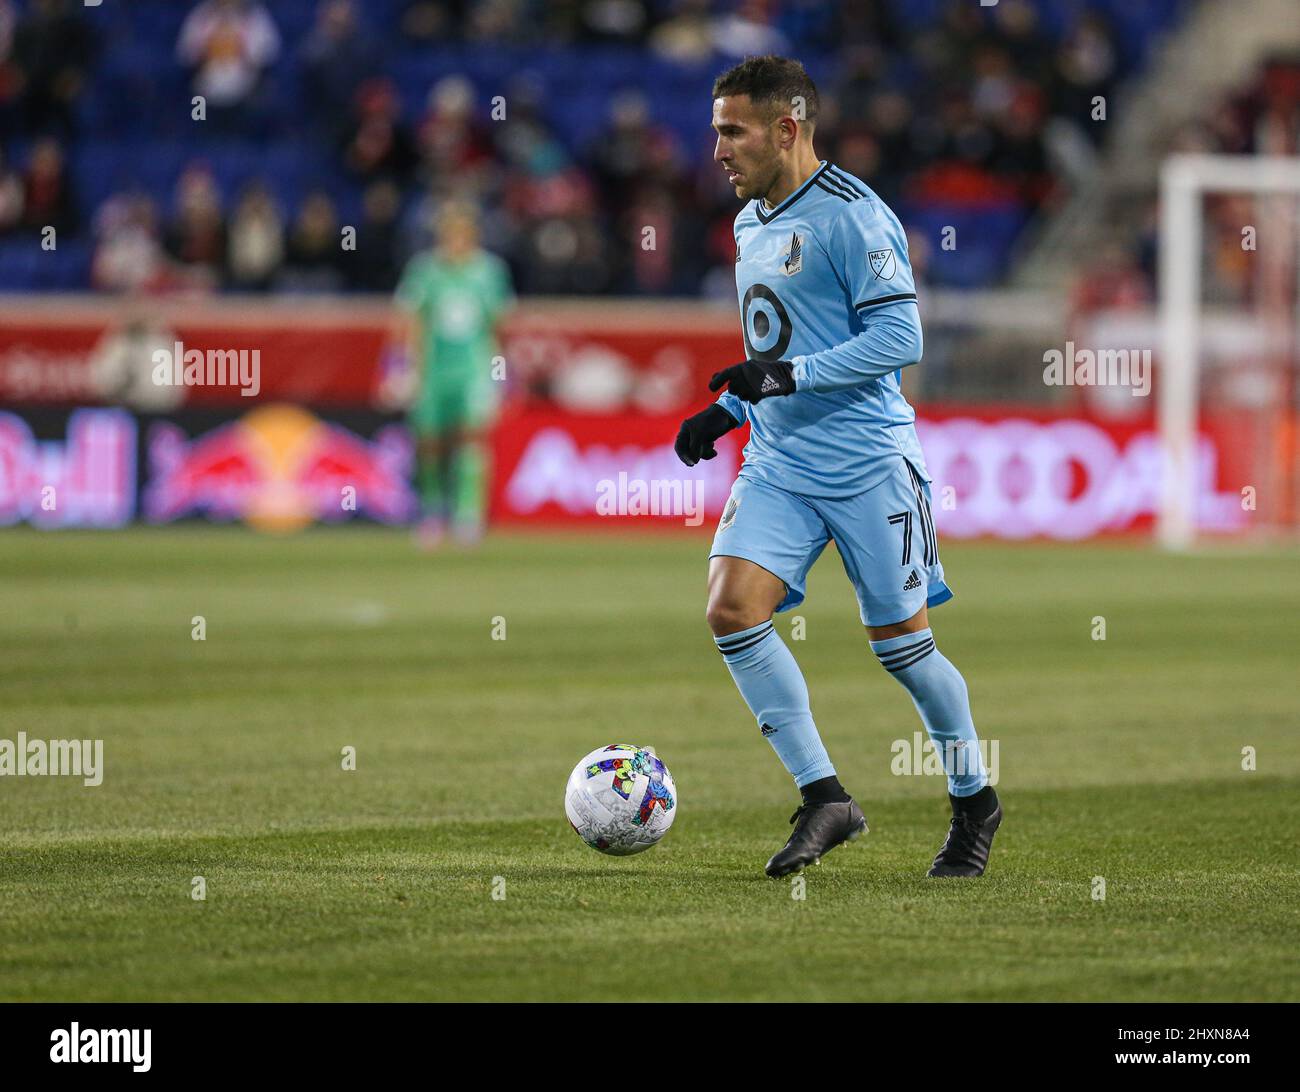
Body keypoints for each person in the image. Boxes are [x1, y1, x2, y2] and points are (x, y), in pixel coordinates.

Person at [674, 55, 1002, 879]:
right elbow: (777, 345)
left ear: (786, 129)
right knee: (730, 609)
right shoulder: (750, 220)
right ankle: (826, 796)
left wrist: (782, 378)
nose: (717, 149)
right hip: (781, 462)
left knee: (905, 651)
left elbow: (901, 340)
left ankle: (974, 800)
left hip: (868, 464)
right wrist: (732, 409)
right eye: (716, 130)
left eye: (731, 131)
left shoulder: (856, 218)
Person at [394, 202, 514, 546]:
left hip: (474, 368)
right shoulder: (425, 270)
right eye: (449, 233)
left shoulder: (490, 272)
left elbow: (498, 326)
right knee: (430, 442)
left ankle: (468, 514)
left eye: (461, 233)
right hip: (433, 369)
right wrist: (403, 366)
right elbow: (411, 320)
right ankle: (431, 511)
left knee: (472, 437)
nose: (455, 240)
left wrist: (500, 372)